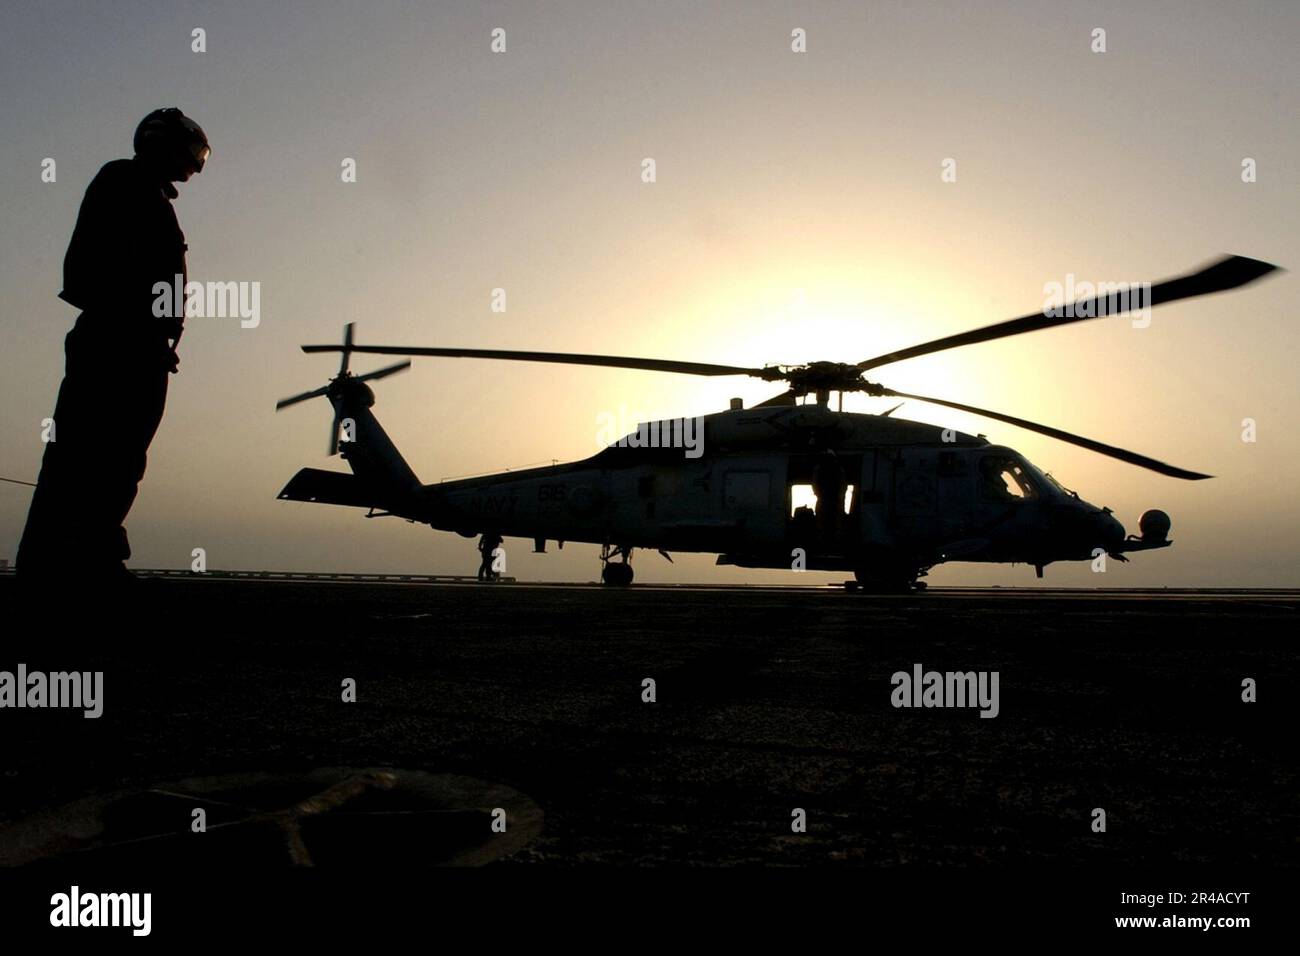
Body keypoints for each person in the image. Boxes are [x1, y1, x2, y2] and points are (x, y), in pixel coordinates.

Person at [16, 109, 210, 586]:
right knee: (91, 454)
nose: (195, 164)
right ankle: (66, 566)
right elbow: (107, 272)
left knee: (117, 458)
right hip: (118, 346)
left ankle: (84, 560)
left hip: (136, 346)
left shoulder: (148, 194)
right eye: (192, 153)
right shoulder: (125, 183)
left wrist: (159, 340)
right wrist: (138, 331)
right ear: (166, 145)